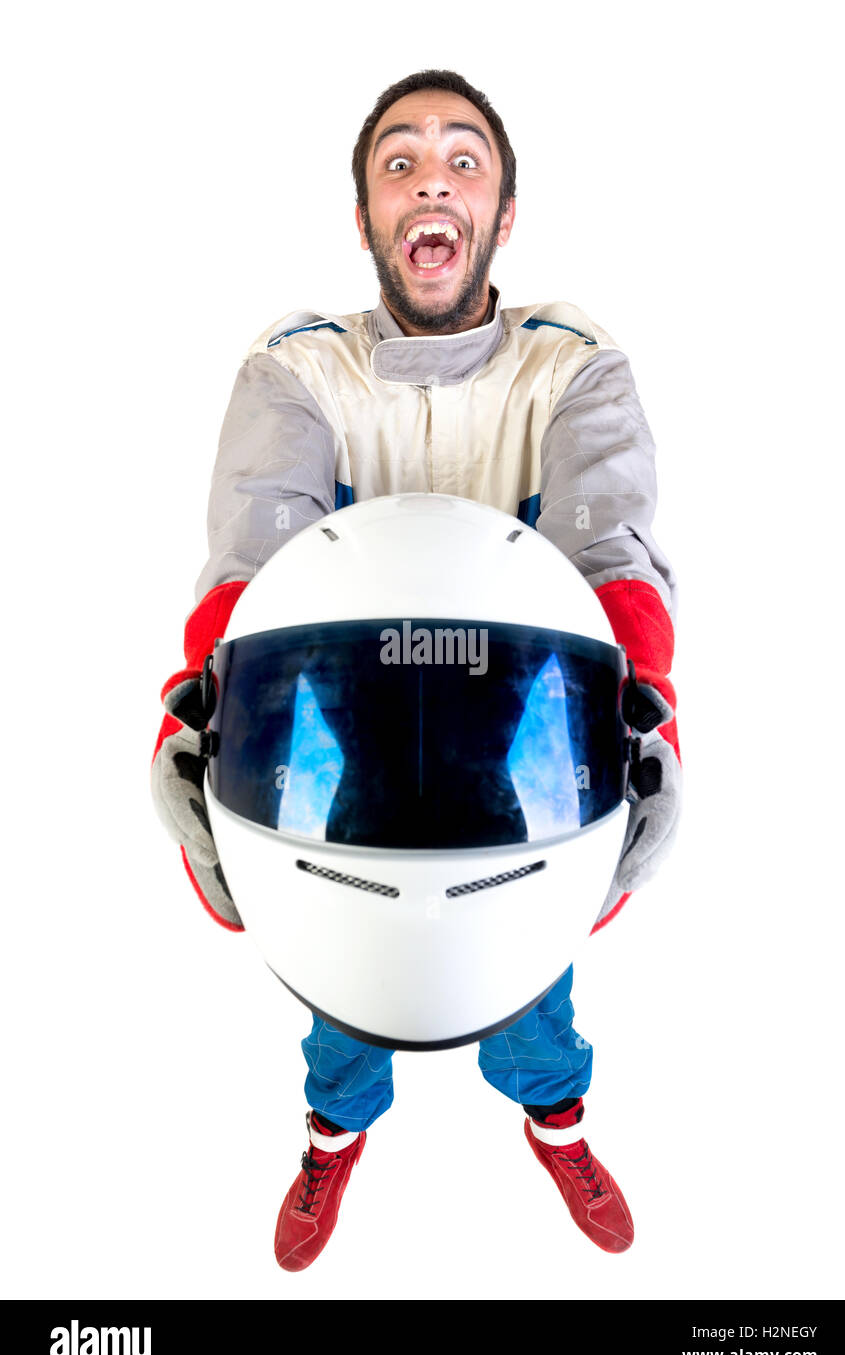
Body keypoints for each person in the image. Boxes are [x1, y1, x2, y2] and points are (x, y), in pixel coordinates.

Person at [151, 68, 681, 1271]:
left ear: (502, 212)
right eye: (399, 162)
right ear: (366, 219)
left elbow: (612, 549)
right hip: (334, 760)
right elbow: (250, 558)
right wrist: (191, 723)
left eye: (462, 161)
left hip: (518, 760)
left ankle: (557, 1122)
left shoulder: (572, 365)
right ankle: (332, 1140)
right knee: (344, 993)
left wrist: (655, 723)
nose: (430, 178)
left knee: (530, 985)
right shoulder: (296, 367)